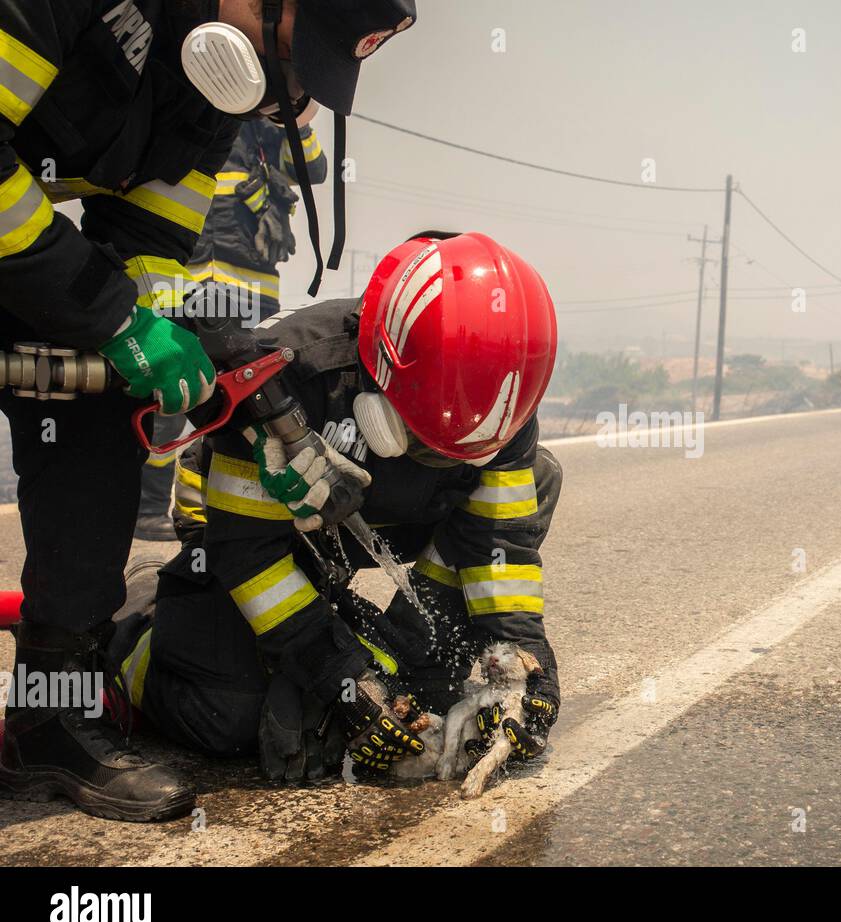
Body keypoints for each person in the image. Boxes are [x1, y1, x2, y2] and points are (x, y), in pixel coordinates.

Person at [0, 0, 417, 822]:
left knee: (98, 433)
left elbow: (147, 239)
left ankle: (50, 723)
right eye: (294, 54)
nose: (281, 93)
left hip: (22, 244)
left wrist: (139, 327)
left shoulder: (212, 85)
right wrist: (114, 315)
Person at [113, 233, 562, 783]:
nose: (444, 462)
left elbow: (500, 547)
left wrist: (522, 655)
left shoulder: (498, 399)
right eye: (424, 444)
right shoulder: (282, 380)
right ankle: (136, 626)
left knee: (427, 695)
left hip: (375, 523)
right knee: (228, 717)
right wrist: (341, 676)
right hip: (251, 535)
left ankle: (404, 654)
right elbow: (250, 560)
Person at [135, 114, 329, 542]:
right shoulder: (196, 108)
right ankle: (148, 510)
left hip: (252, 288)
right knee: (174, 391)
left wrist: (298, 119)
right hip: (192, 282)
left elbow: (313, 169)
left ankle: (234, 508)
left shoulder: (269, 129)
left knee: (257, 401)